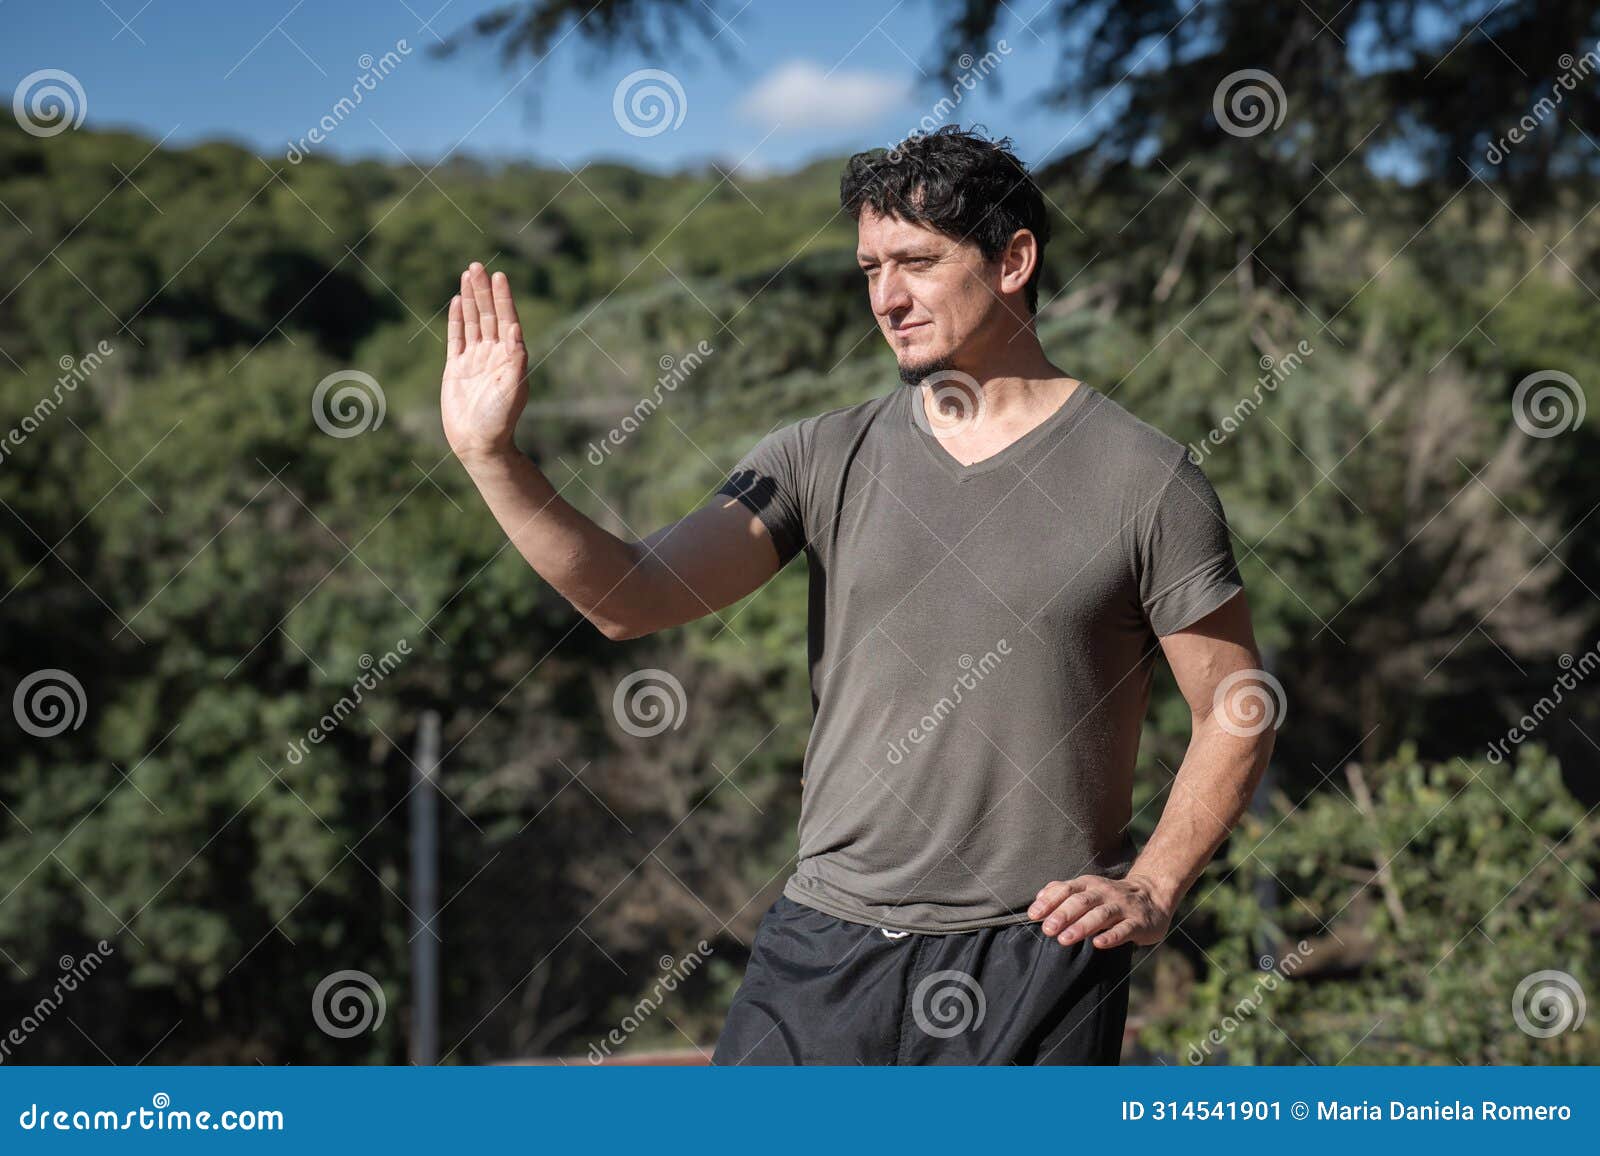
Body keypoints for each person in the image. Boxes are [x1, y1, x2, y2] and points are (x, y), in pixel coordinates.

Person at [439, 124, 1275, 1065]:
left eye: (918, 262)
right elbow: (630, 598)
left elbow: (1236, 705)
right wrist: (493, 457)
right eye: (871, 268)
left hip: (1037, 954)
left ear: (1014, 261)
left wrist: (1155, 884)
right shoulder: (818, 456)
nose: (887, 297)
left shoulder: (1144, 478)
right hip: (823, 947)